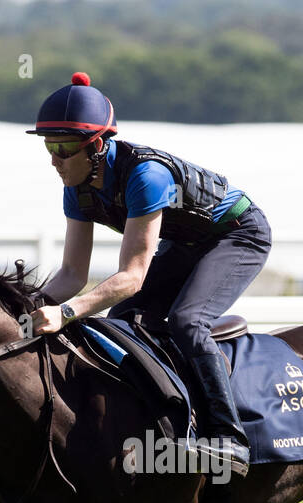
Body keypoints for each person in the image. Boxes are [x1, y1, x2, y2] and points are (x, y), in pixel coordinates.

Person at [27, 72, 271, 477]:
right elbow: (71, 275)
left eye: (65, 148)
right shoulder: (76, 186)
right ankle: (155, 426)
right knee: (119, 323)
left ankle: (230, 440)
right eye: (50, 146)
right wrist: (28, 306)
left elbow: (132, 276)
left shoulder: (145, 175)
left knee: (186, 321)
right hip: (188, 242)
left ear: (97, 146)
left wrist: (66, 314)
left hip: (237, 234)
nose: (55, 160)